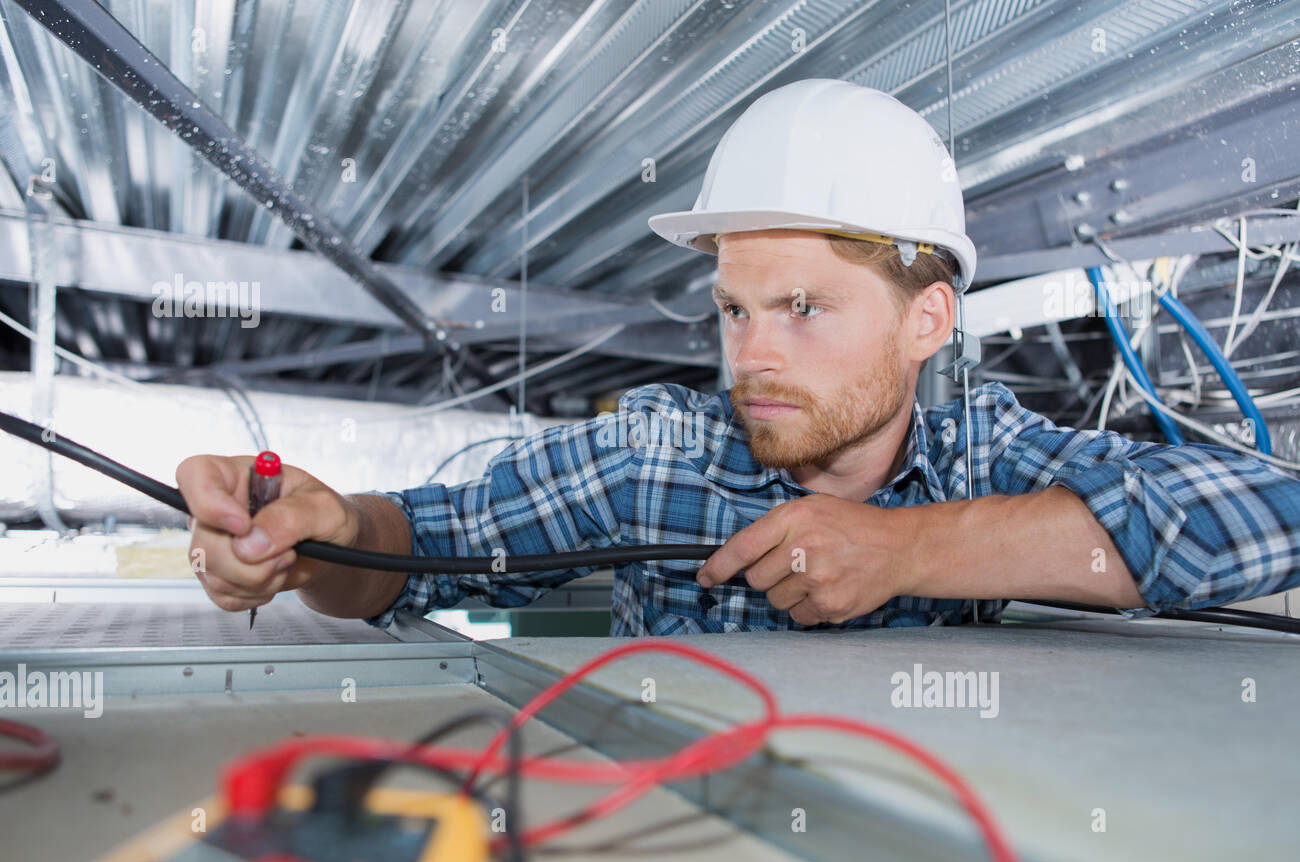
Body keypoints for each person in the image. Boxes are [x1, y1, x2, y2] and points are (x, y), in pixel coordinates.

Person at [177, 79, 1300, 635]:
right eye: (733, 309)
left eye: (804, 306)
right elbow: (420, 548)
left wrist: (908, 547)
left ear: (928, 320)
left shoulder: (986, 459)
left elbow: (1270, 513)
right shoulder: (654, 458)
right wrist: (315, 541)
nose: (751, 354)